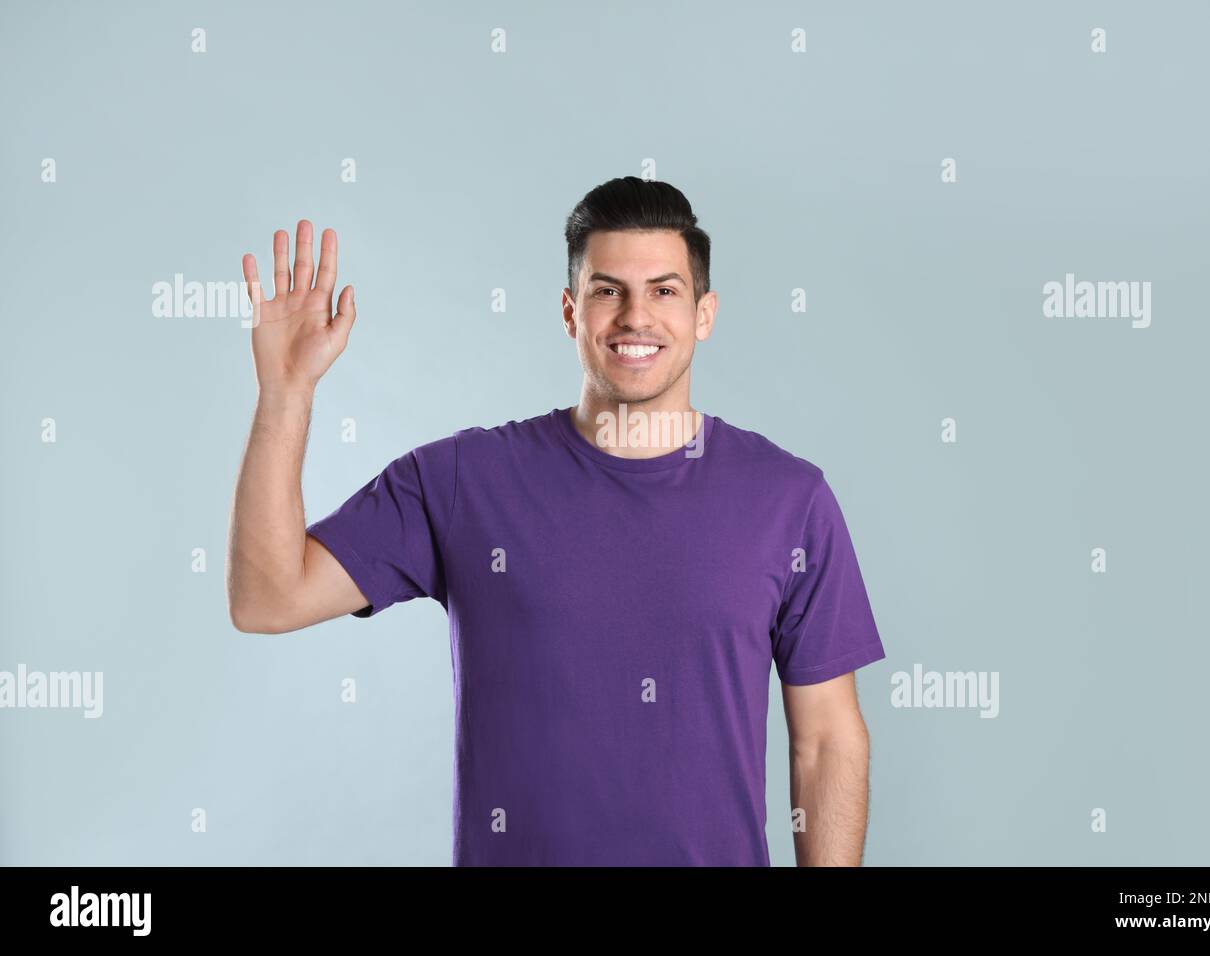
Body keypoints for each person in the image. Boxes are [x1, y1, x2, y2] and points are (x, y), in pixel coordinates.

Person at [227, 176, 887, 866]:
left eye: (664, 290)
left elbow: (827, 741)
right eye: (608, 290)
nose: (636, 316)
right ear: (571, 313)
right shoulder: (464, 482)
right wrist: (285, 394)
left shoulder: (788, 499)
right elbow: (267, 597)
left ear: (705, 313)